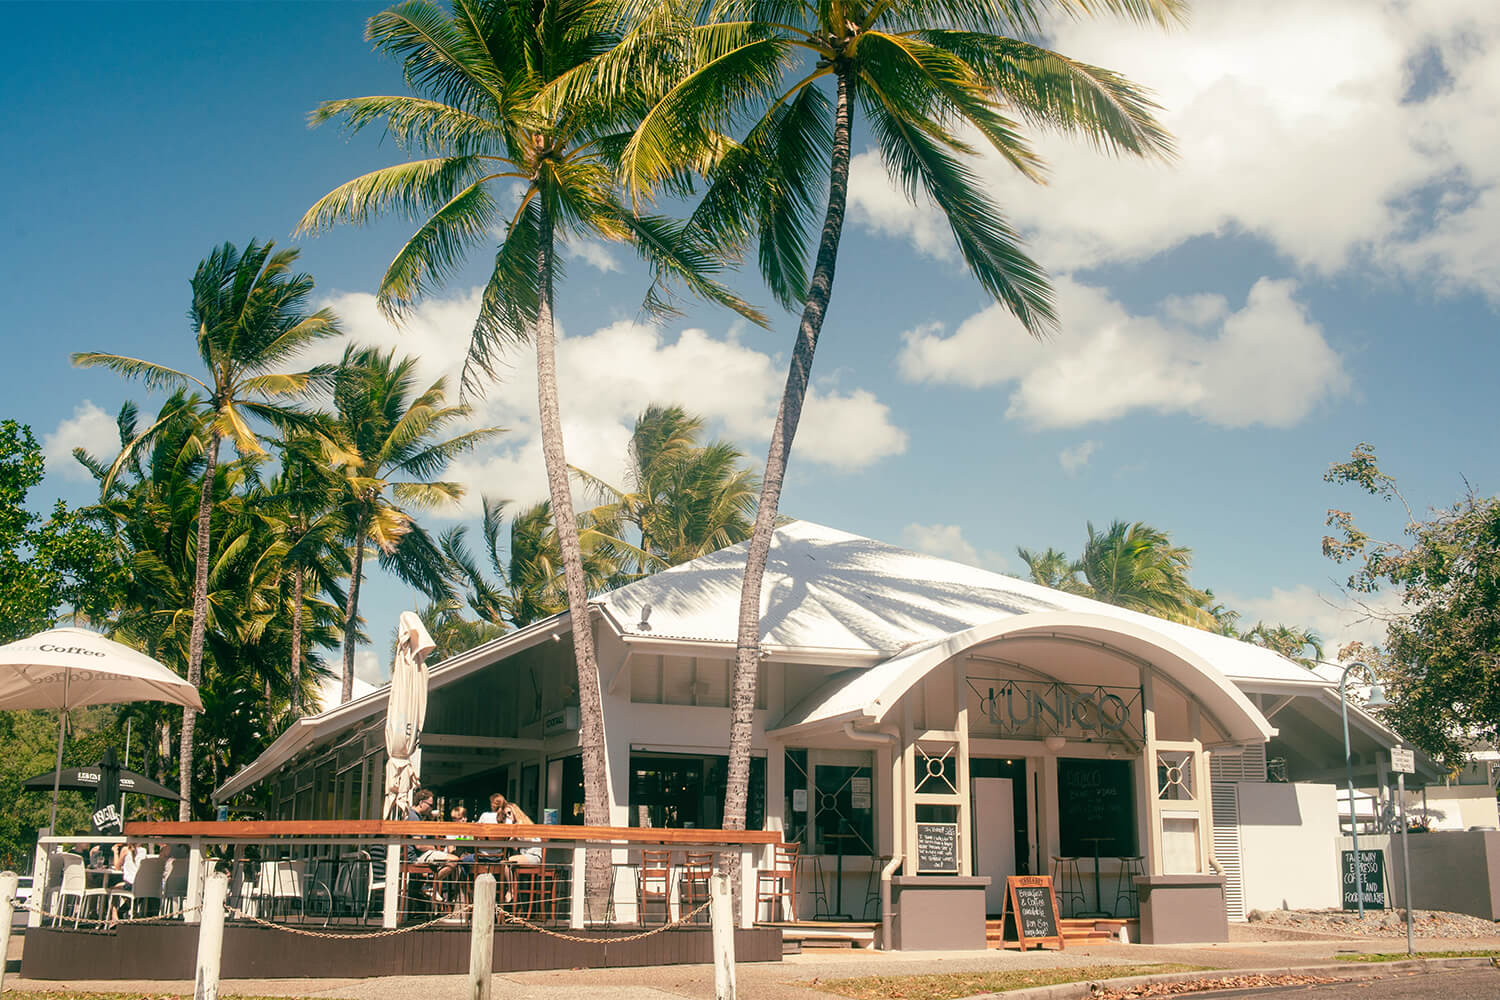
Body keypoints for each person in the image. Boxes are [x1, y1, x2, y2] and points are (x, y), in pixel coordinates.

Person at [405, 788, 461, 911]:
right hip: (416, 856)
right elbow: (419, 845)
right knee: (453, 860)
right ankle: (429, 886)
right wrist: (433, 847)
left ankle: (430, 885)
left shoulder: (417, 816)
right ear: (421, 803)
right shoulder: (413, 817)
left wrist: (429, 819)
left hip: (419, 854)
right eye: (430, 805)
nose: (431, 808)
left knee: (449, 858)